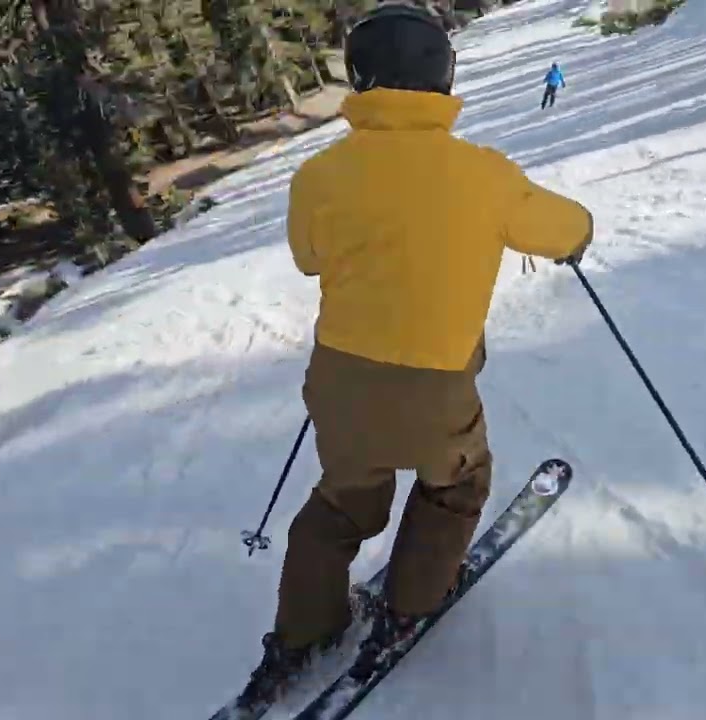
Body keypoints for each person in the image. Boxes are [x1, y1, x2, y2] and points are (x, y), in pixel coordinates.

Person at [230, 3, 593, 711]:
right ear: (442, 75)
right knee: (454, 484)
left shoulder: (319, 176)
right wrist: (576, 238)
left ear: (358, 78)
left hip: (339, 380)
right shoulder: (483, 174)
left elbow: (309, 258)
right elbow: (567, 228)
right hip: (434, 388)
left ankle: (303, 633)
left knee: (341, 502)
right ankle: (411, 605)